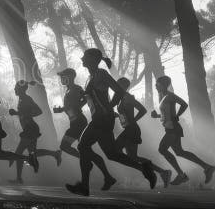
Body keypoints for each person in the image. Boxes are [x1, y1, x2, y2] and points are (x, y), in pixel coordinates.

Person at [65, 49, 157, 197]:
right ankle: (144, 168)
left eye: (85, 56)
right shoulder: (91, 77)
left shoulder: (101, 74)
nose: (82, 58)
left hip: (103, 118)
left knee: (83, 145)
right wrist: (81, 101)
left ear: (93, 60)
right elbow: (92, 97)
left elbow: (119, 91)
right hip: (100, 118)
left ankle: (84, 185)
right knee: (112, 154)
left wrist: (109, 106)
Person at [53, 68, 115, 189]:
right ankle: (107, 177)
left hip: (79, 123)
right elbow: (70, 106)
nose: (61, 79)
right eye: (60, 77)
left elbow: (86, 99)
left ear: (70, 77)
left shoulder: (76, 88)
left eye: (63, 76)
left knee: (65, 146)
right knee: (86, 151)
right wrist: (61, 109)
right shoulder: (68, 90)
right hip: (74, 122)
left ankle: (92, 166)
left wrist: (77, 106)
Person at [151, 75, 215, 186]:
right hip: (170, 128)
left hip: (173, 128)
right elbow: (166, 115)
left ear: (163, 84)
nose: (155, 85)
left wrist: (178, 115)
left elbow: (184, 104)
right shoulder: (162, 96)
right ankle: (207, 167)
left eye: (157, 84)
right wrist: (156, 115)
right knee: (179, 152)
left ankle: (182, 175)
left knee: (162, 149)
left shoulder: (170, 96)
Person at [113, 77, 172, 188]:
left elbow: (143, 110)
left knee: (115, 151)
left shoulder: (127, 97)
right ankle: (163, 172)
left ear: (124, 86)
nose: (115, 87)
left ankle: (152, 172)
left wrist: (133, 120)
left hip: (131, 129)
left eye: (118, 85)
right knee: (133, 157)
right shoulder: (121, 97)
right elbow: (125, 113)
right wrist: (119, 116)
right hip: (129, 129)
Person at [9, 80, 62, 184]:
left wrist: (18, 113)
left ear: (20, 89)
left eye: (16, 88)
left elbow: (39, 111)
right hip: (29, 128)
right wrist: (20, 113)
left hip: (30, 128)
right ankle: (55, 154)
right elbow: (26, 112)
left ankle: (19, 178)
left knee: (18, 153)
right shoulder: (21, 99)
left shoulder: (26, 98)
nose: (14, 89)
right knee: (33, 152)